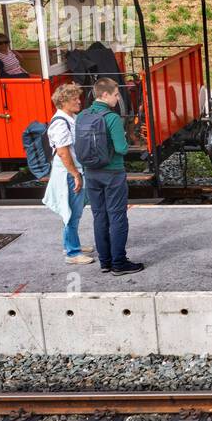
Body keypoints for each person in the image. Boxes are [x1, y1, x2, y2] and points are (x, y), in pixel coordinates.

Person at [78, 77, 143, 275]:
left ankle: (105, 262)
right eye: (115, 95)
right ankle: (119, 263)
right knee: (117, 217)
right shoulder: (112, 118)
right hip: (112, 173)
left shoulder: (82, 115)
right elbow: (122, 149)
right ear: (104, 94)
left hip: (91, 173)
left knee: (99, 216)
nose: (117, 98)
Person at [42, 83, 94, 265]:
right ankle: (73, 252)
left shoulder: (71, 118)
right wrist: (75, 174)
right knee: (71, 212)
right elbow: (63, 152)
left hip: (73, 171)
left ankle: (72, 244)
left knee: (74, 211)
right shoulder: (60, 123)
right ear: (63, 102)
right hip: (67, 174)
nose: (79, 101)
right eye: (74, 99)